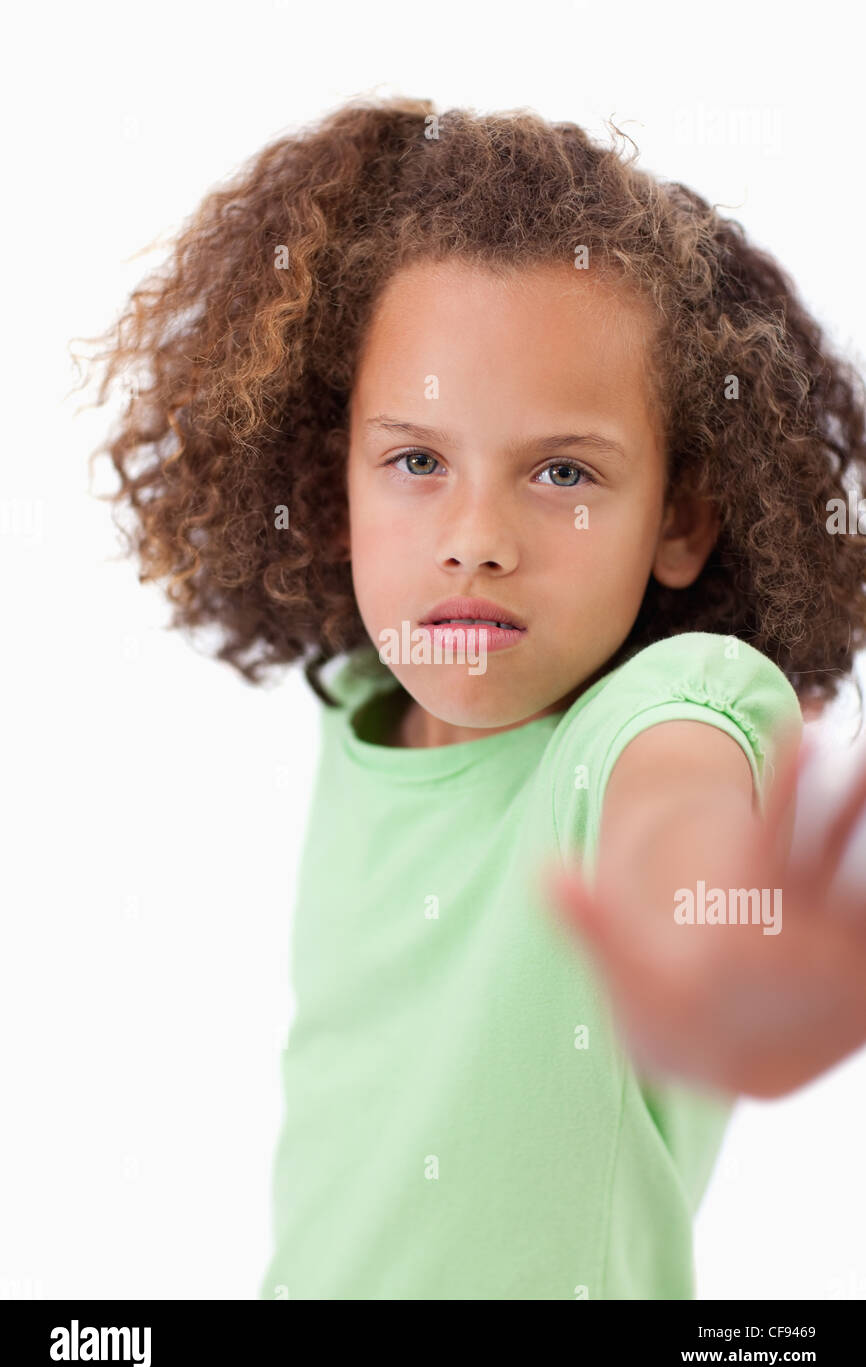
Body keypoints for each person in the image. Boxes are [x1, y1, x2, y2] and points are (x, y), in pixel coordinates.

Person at [74, 95, 866, 1299]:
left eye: (561, 472)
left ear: (680, 518)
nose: (474, 539)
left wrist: (720, 957)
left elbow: (676, 830)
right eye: (416, 461)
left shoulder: (655, 715)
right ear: (329, 481)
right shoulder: (359, 704)